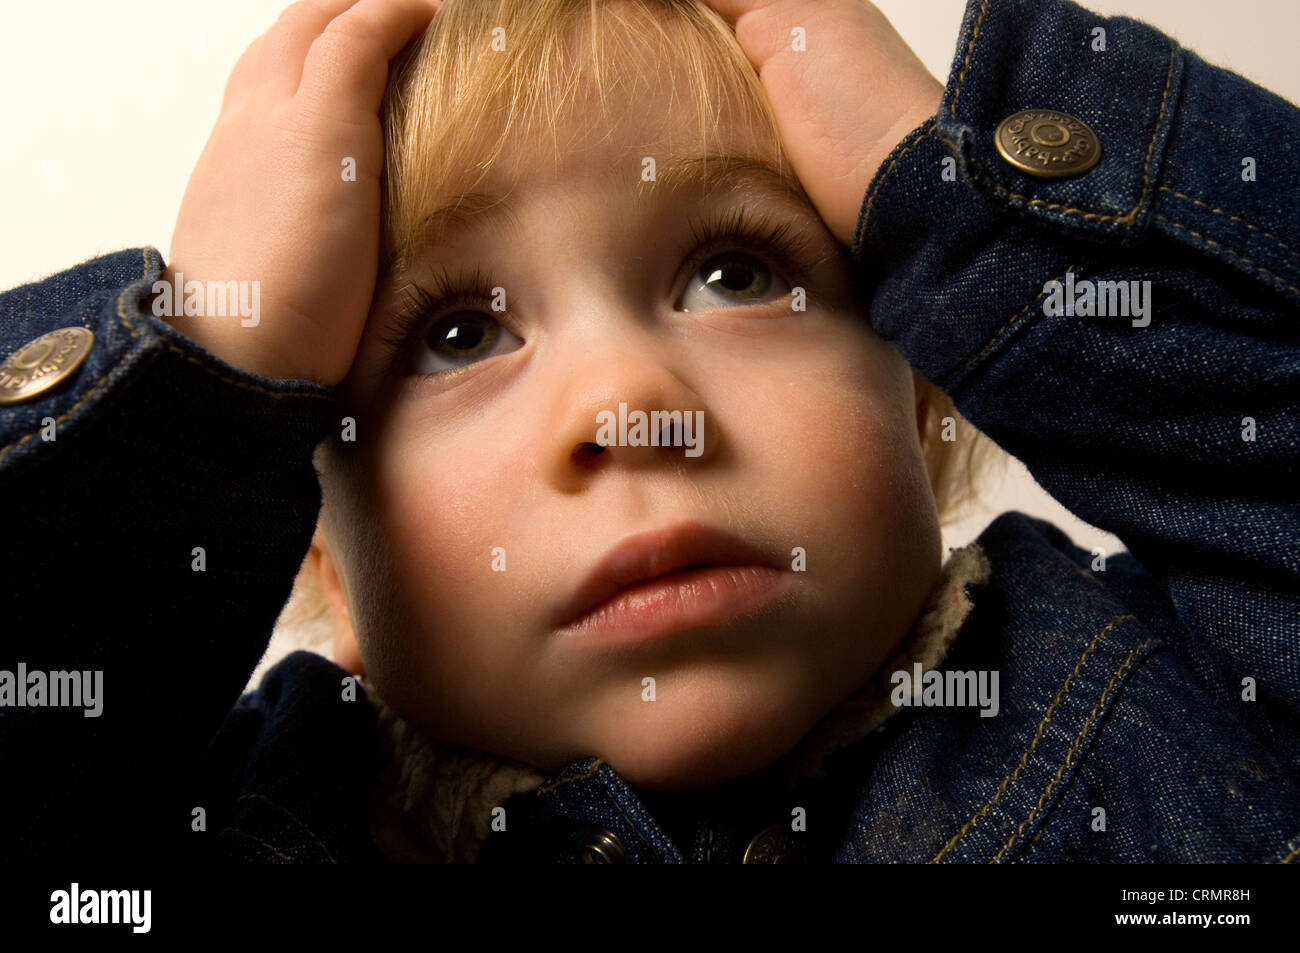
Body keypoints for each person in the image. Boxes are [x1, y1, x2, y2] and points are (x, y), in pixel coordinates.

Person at [1, 0, 1296, 864]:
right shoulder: (245, 830)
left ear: (919, 387)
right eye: (456, 334)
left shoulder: (1172, 708)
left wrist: (973, 195)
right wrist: (210, 369)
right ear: (322, 560)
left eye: (736, 273)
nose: (632, 402)